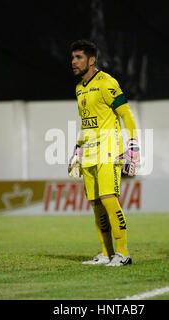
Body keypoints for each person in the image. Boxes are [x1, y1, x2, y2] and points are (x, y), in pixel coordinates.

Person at [68, 39, 140, 267]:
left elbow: (126, 115)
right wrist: (77, 151)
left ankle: (123, 253)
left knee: (110, 200)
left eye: (78, 57)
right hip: (88, 152)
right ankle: (107, 253)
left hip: (109, 151)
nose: (73, 62)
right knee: (96, 205)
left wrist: (133, 145)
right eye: (72, 58)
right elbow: (86, 123)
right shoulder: (80, 88)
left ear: (92, 60)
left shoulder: (107, 82)